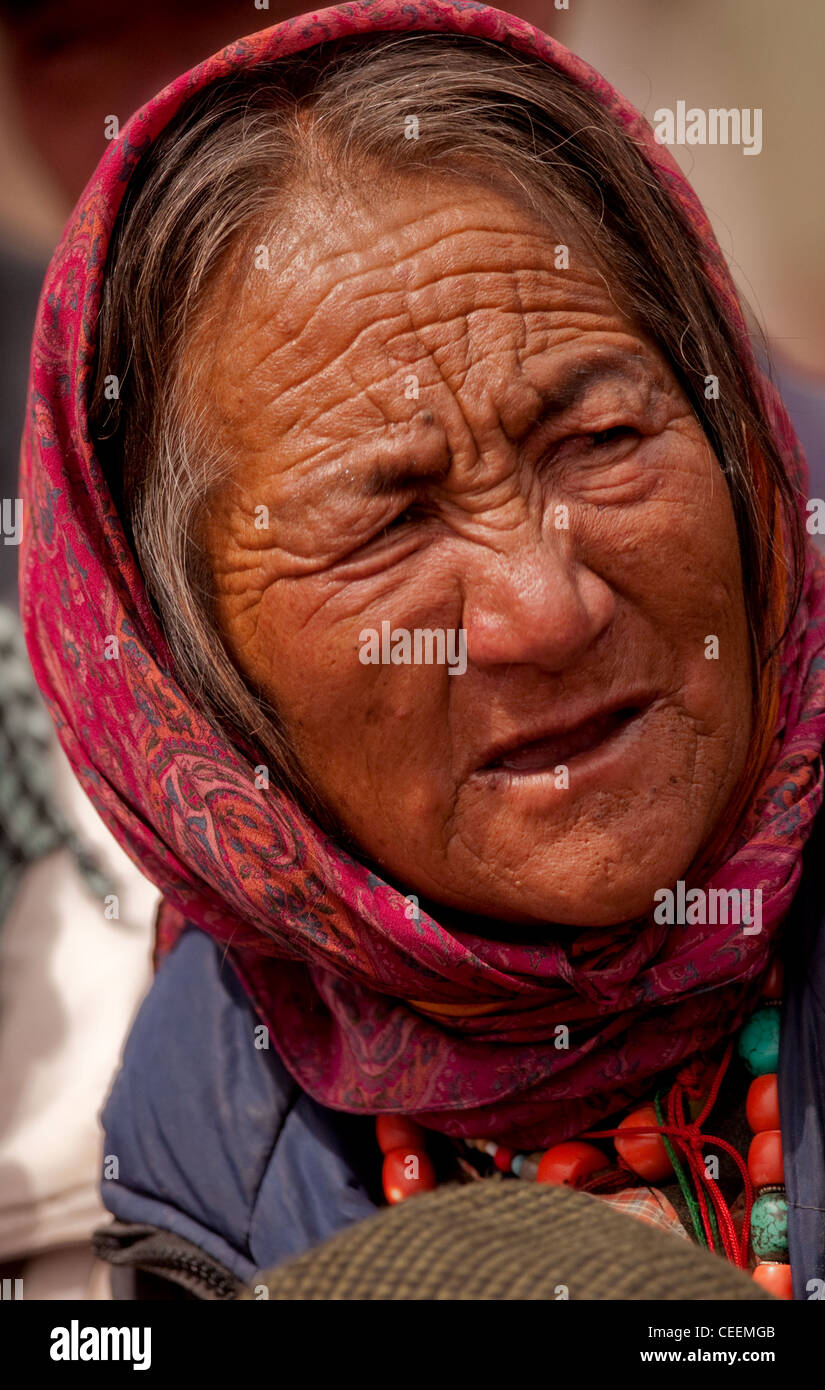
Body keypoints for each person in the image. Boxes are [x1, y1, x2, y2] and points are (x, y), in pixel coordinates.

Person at [18, 0, 825, 1300]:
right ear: (194, 676)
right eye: (387, 521)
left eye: (604, 439)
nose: (544, 609)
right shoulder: (206, 1123)